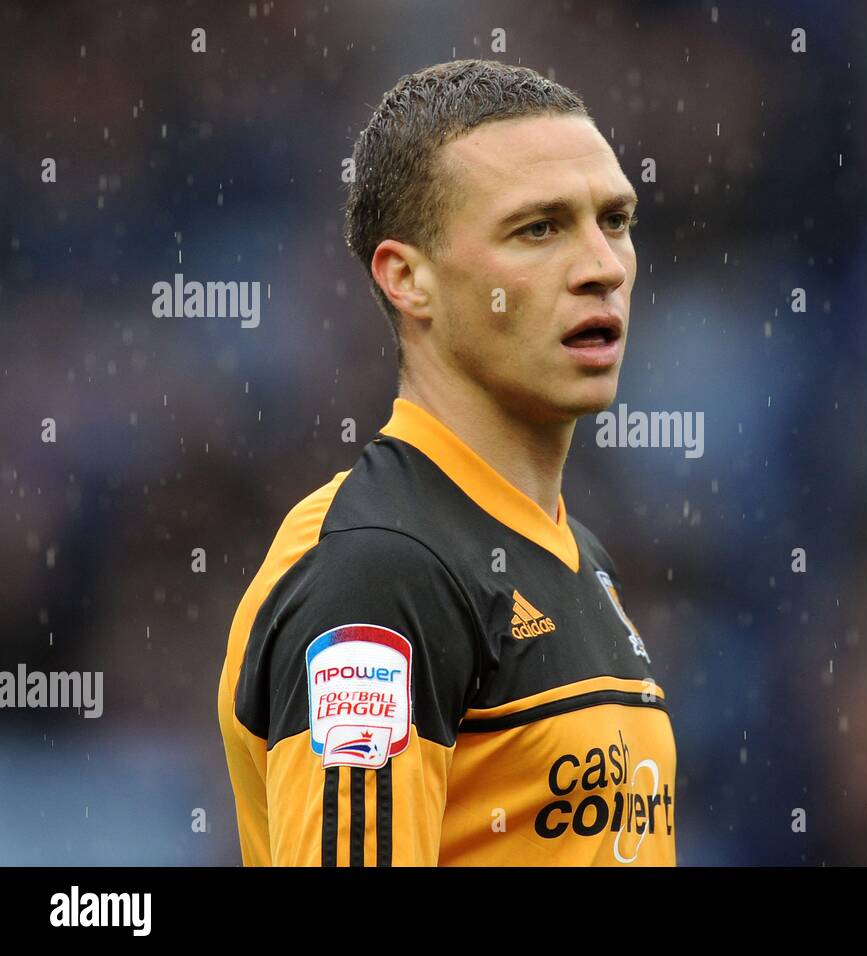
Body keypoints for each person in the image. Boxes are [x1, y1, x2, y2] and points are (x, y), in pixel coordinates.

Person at [217, 59, 675, 866]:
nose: (602, 265)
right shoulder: (379, 570)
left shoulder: (574, 556)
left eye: (616, 219)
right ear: (408, 279)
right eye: (539, 228)